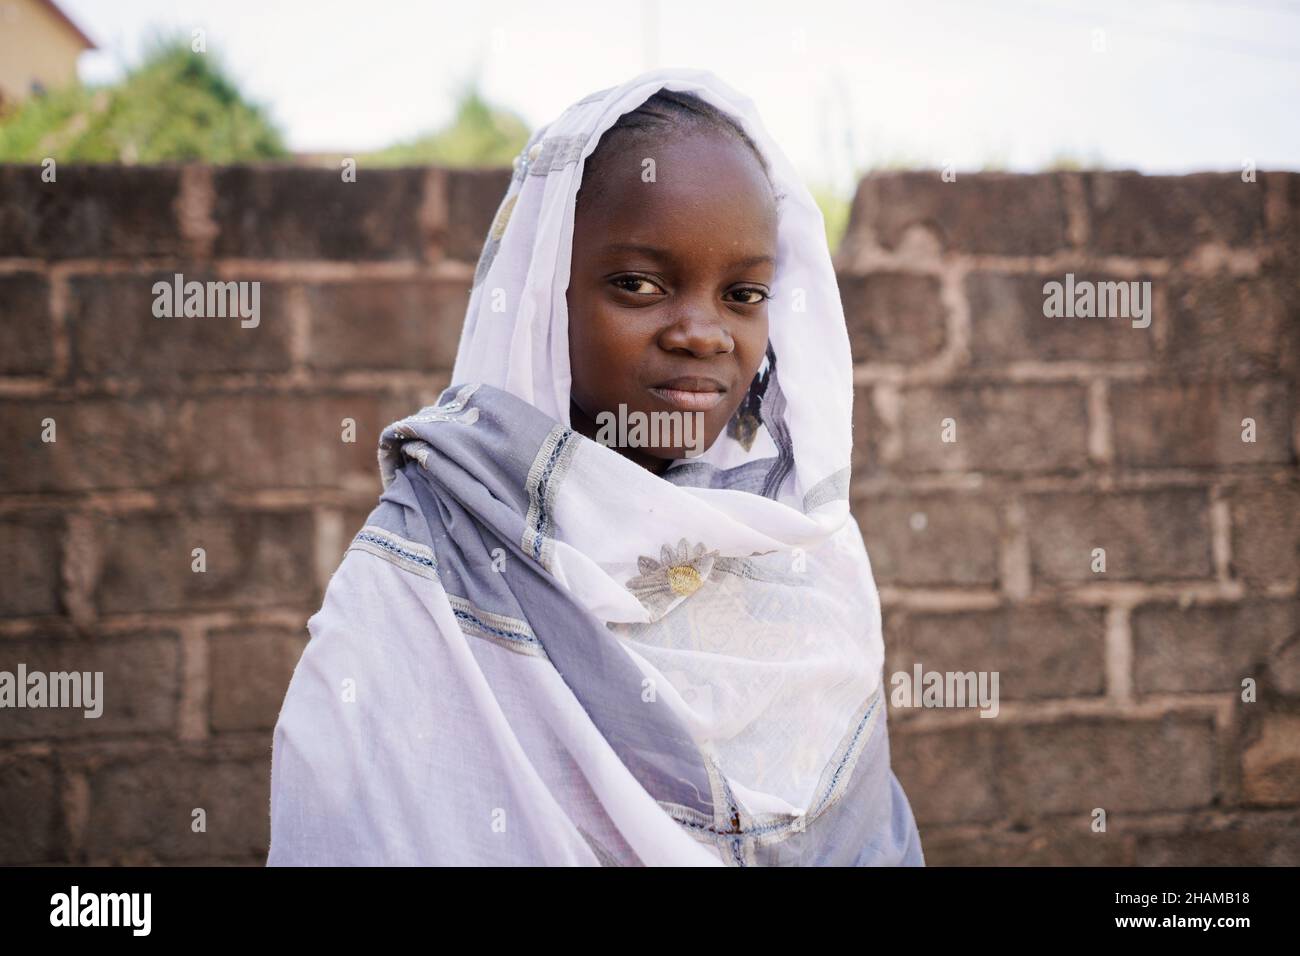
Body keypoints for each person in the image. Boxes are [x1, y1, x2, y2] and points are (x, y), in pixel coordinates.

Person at [267, 67, 925, 867]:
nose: (703, 333)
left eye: (744, 294)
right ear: (547, 296)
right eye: (639, 284)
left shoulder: (807, 557)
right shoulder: (430, 565)